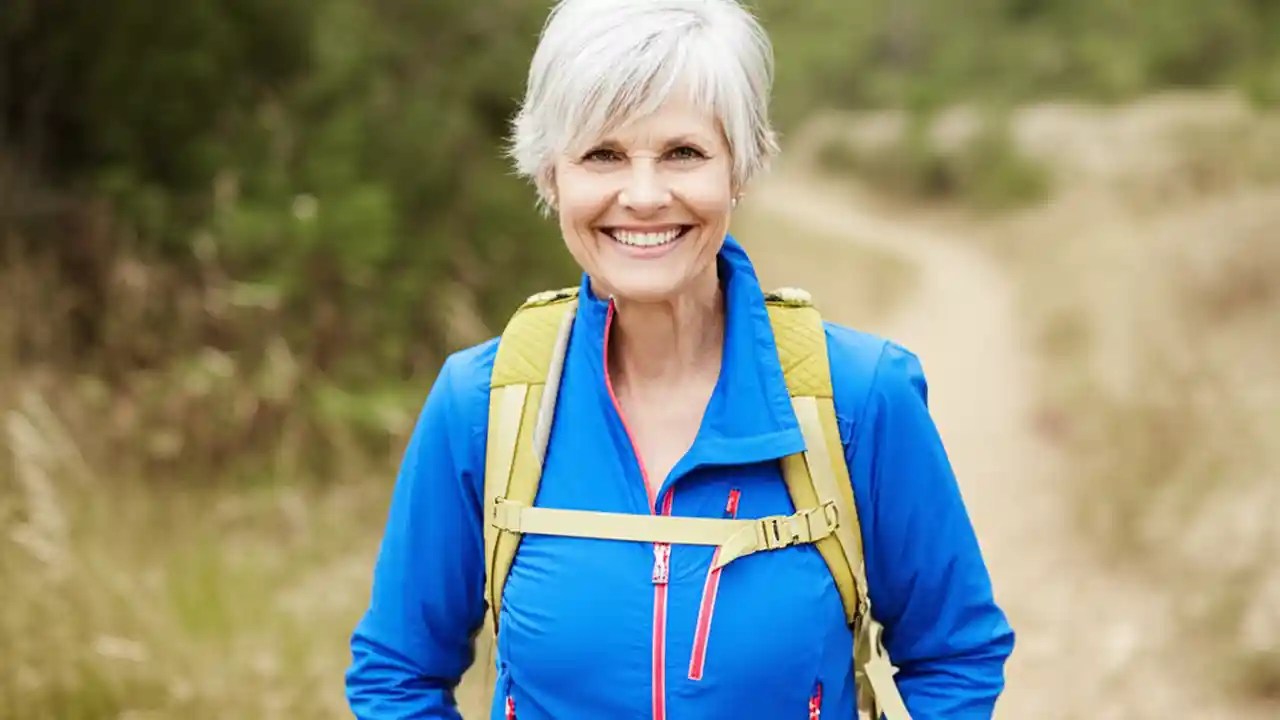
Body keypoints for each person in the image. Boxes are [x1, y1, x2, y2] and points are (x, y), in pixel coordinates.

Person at [344, 0, 1015, 718]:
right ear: (550, 175)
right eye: (602, 154)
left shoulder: (857, 395)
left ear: (739, 168)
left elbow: (955, 654)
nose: (642, 195)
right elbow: (397, 674)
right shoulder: (483, 403)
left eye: (683, 153)